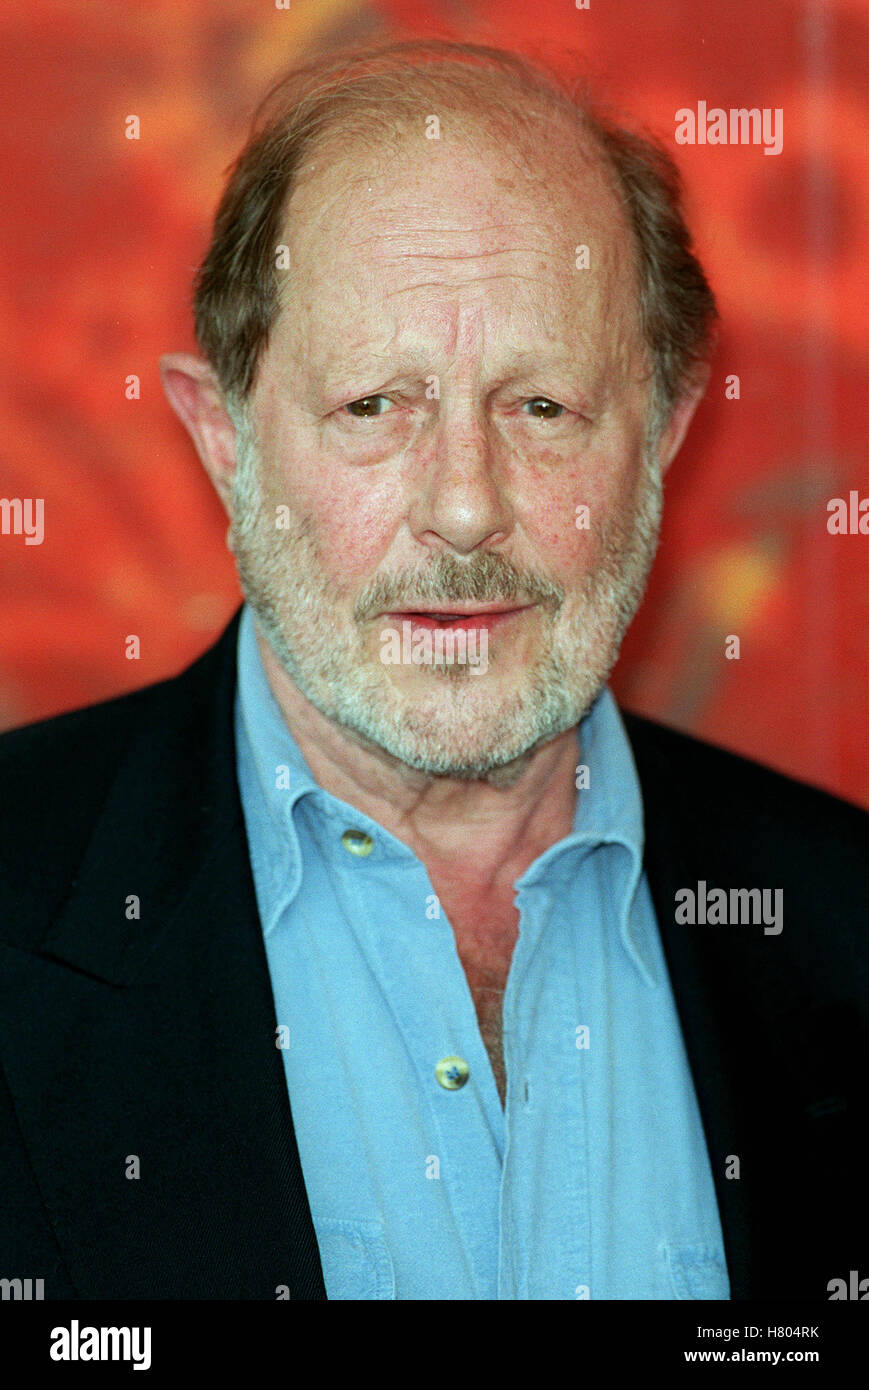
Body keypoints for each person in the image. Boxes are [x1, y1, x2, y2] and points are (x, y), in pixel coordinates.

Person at [0, 39, 865, 1302]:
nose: (465, 510)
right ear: (223, 441)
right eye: (373, 406)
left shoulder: (843, 920)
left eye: (543, 407)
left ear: (665, 431)